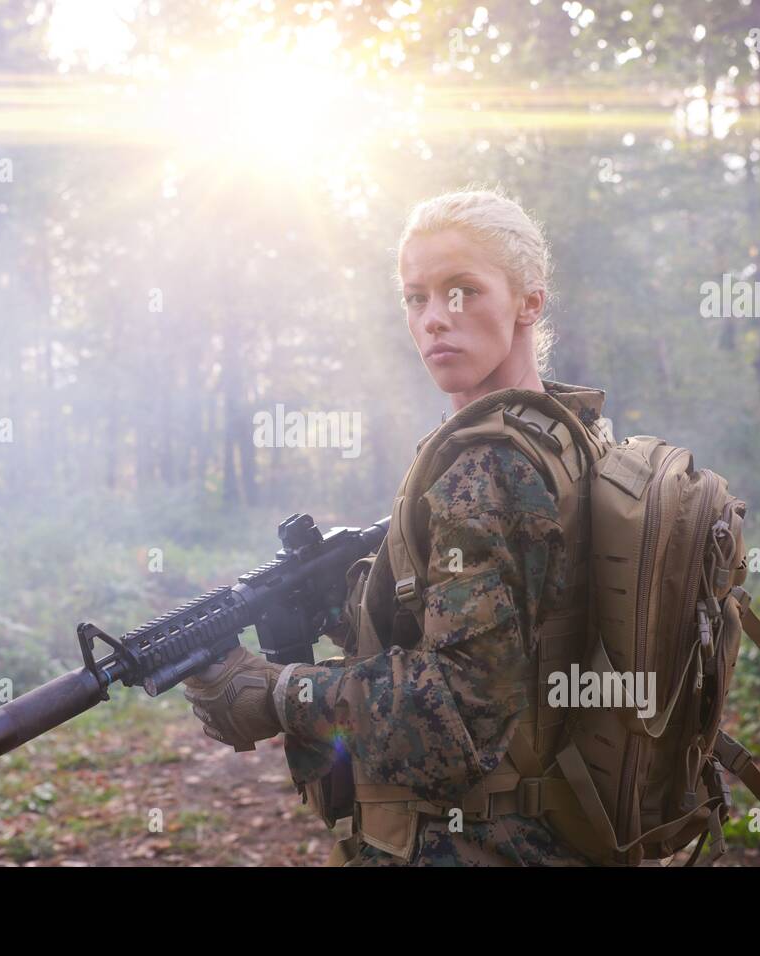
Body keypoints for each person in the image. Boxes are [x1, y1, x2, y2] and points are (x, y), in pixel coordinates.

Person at [182, 186, 608, 865]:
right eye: (417, 298)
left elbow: (462, 713)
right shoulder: (563, 430)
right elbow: (527, 641)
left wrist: (276, 693)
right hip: (569, 827)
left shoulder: (486, 468)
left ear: (530, 300)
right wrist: (356, 607)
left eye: (462, 290)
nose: (436, 318)